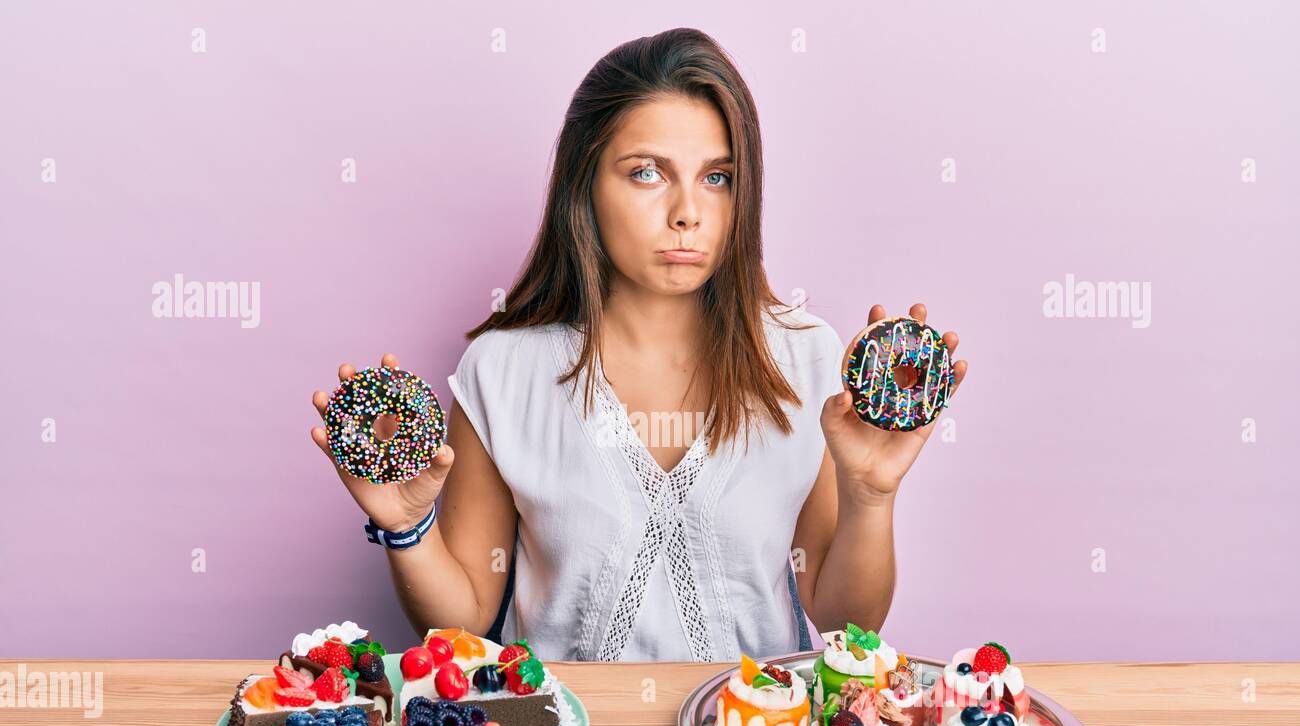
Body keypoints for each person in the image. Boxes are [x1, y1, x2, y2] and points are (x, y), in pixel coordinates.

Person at [309, 28, 967, 662]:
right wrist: (406, 528)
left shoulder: (807, 358)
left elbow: (845, 620)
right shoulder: (503, 371)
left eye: (718, 177)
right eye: (647, 173)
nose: (688, 211)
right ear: (585, 183)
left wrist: (870, 497)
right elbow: (467, 618)